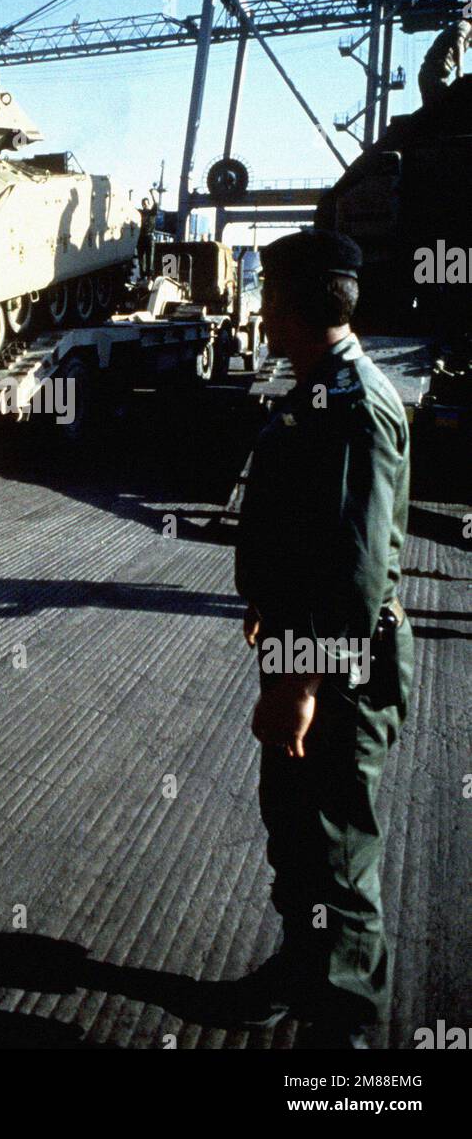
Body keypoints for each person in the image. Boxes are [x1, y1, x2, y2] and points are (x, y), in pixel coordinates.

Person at [231, 228, 414, 1049]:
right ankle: (303, 964)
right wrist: (267, 607)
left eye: (267, 298)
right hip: (301, 650)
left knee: (336, 849)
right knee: (296, 830)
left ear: (292, 307)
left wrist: (301, 684)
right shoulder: (317, 387)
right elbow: (304, 531)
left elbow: (354, 567)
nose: (259, 312)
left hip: (336, 667)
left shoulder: (352, 403)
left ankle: (344, 1038)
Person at [417, 18, 472, 107]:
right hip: (432, 75)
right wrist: (459, 69)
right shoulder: (465, 25)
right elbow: (459, 42)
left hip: (437, 76)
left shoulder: (468, 34)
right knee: (440, 111)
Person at [137, 196, 157, 280]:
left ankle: (149, 276)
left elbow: (156, 204)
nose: (145, 205)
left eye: (146, 204)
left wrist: (152, 194)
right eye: (143, 204)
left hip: (149, 236)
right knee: (141, 257)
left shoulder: (152, 212)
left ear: (149, 204)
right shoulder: (140, 212)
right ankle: (142, 275)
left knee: (150, 257)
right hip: (141, 237)